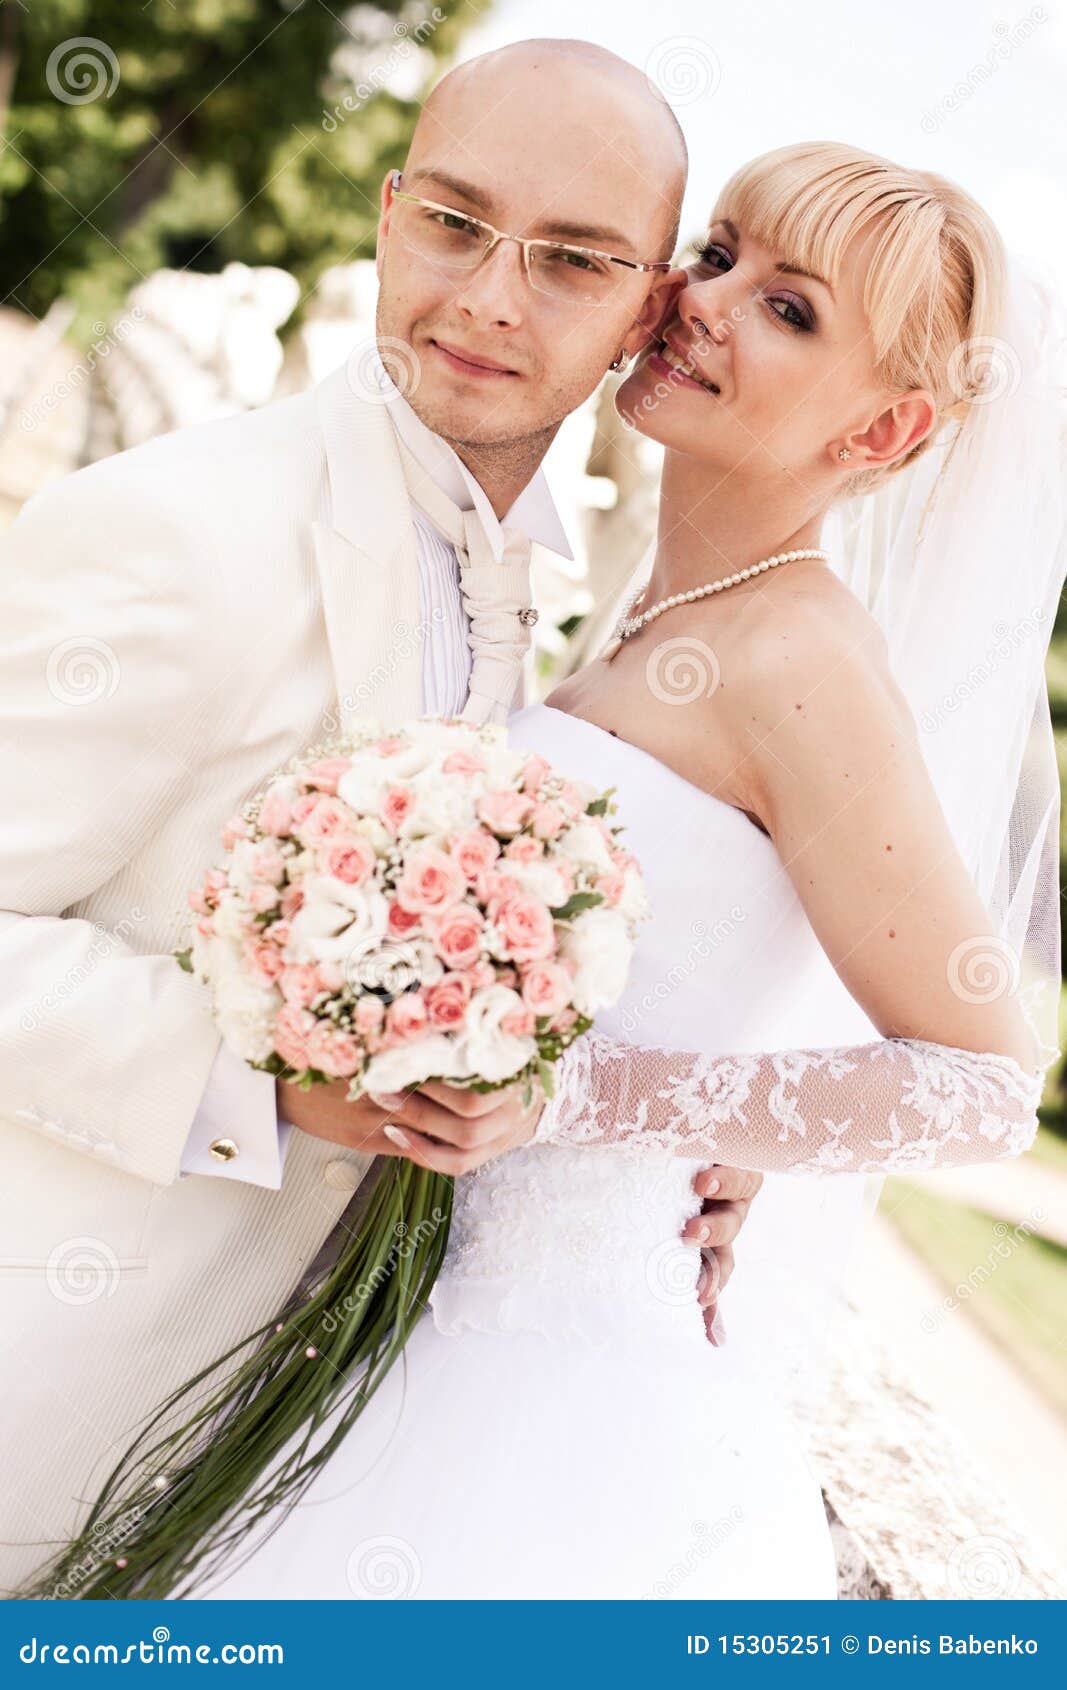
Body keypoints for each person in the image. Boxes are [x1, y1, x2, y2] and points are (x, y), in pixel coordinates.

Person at [200, 129, 1060, 1600]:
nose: (705, 300)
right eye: (718, 251)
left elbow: (984, 1076)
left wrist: (582, 1097)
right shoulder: (653, 602)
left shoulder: (804, 659)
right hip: (423, 1318)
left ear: (882, 437)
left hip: (554, 1403)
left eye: (789, 308)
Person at [0, 40, 764, 1596]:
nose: (489, 297)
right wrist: (261, 1077)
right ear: (387, 211)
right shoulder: (183, 529)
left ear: (651, 306)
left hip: (248, 1458)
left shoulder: (541, 576)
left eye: (570, 260)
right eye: (455, 224)